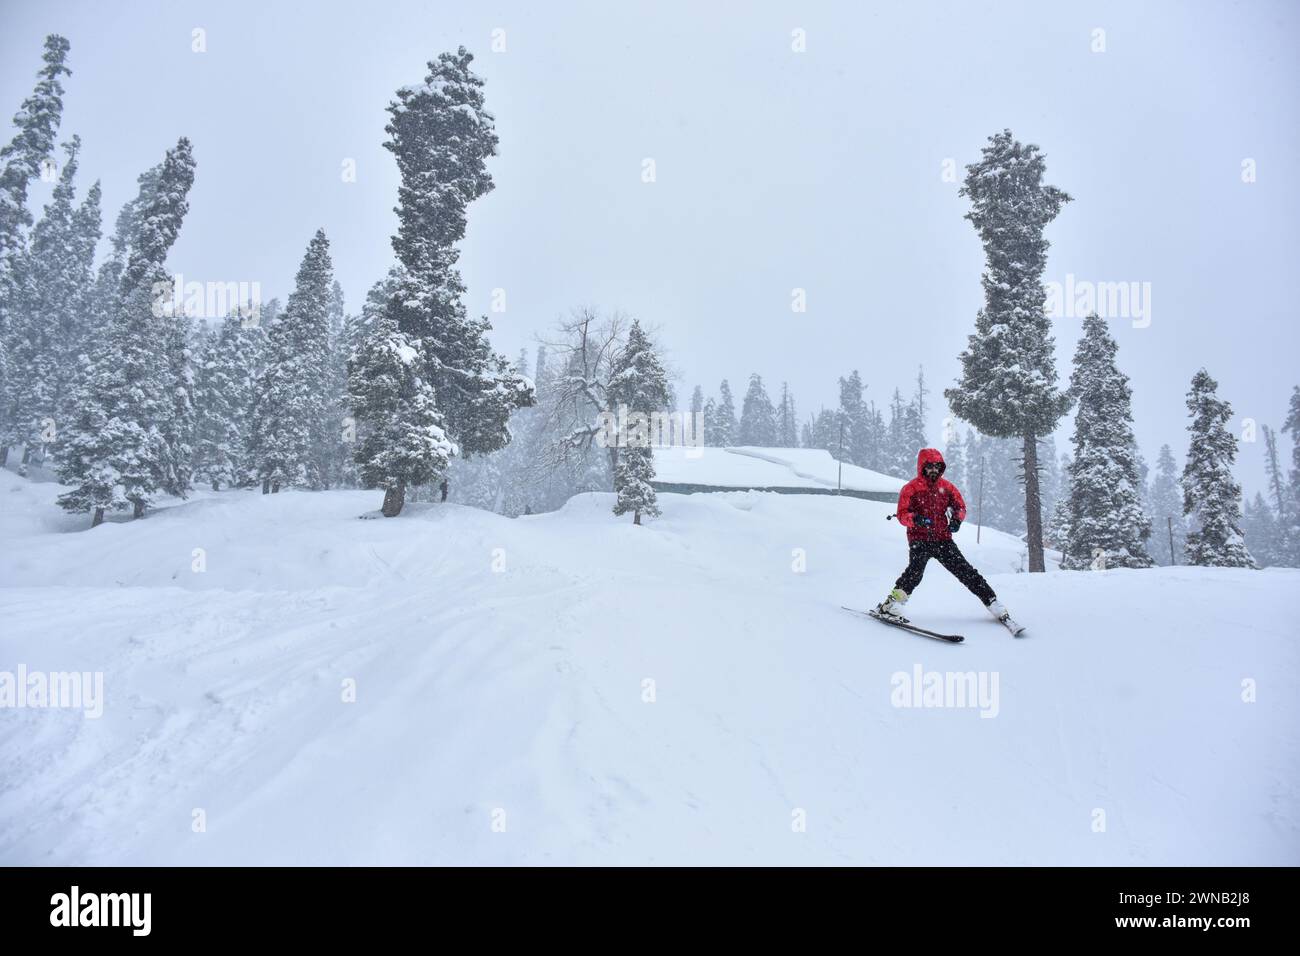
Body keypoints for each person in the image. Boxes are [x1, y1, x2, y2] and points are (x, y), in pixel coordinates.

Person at [874, 448, 1014, 626]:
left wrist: (957, 520)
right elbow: (902, 515)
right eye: (930, 466)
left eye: (937, 466)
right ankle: (891, 605)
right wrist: (915, 519)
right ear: (922, 467)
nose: (933, 470)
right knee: (914, 573)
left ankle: (993, 602)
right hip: (920, 539)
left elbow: (960, 507)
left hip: (943, 539)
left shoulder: (947, 488)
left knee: (966, 572)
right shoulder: (911, 489)